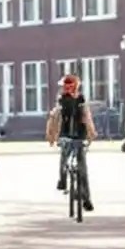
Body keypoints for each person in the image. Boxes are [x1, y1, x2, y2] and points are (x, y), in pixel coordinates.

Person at [45, 74, 97, 212]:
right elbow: (54, 117)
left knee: (77, 167)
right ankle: (66, 183)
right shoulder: (63, 101)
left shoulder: (78, 100)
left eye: (69, 85)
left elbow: (86, 116)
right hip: (69, 136)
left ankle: (83, 197)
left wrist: (91, 131)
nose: (67, 88)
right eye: (65, 85)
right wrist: (51, 135)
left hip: (76, 136)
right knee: (71, 162)